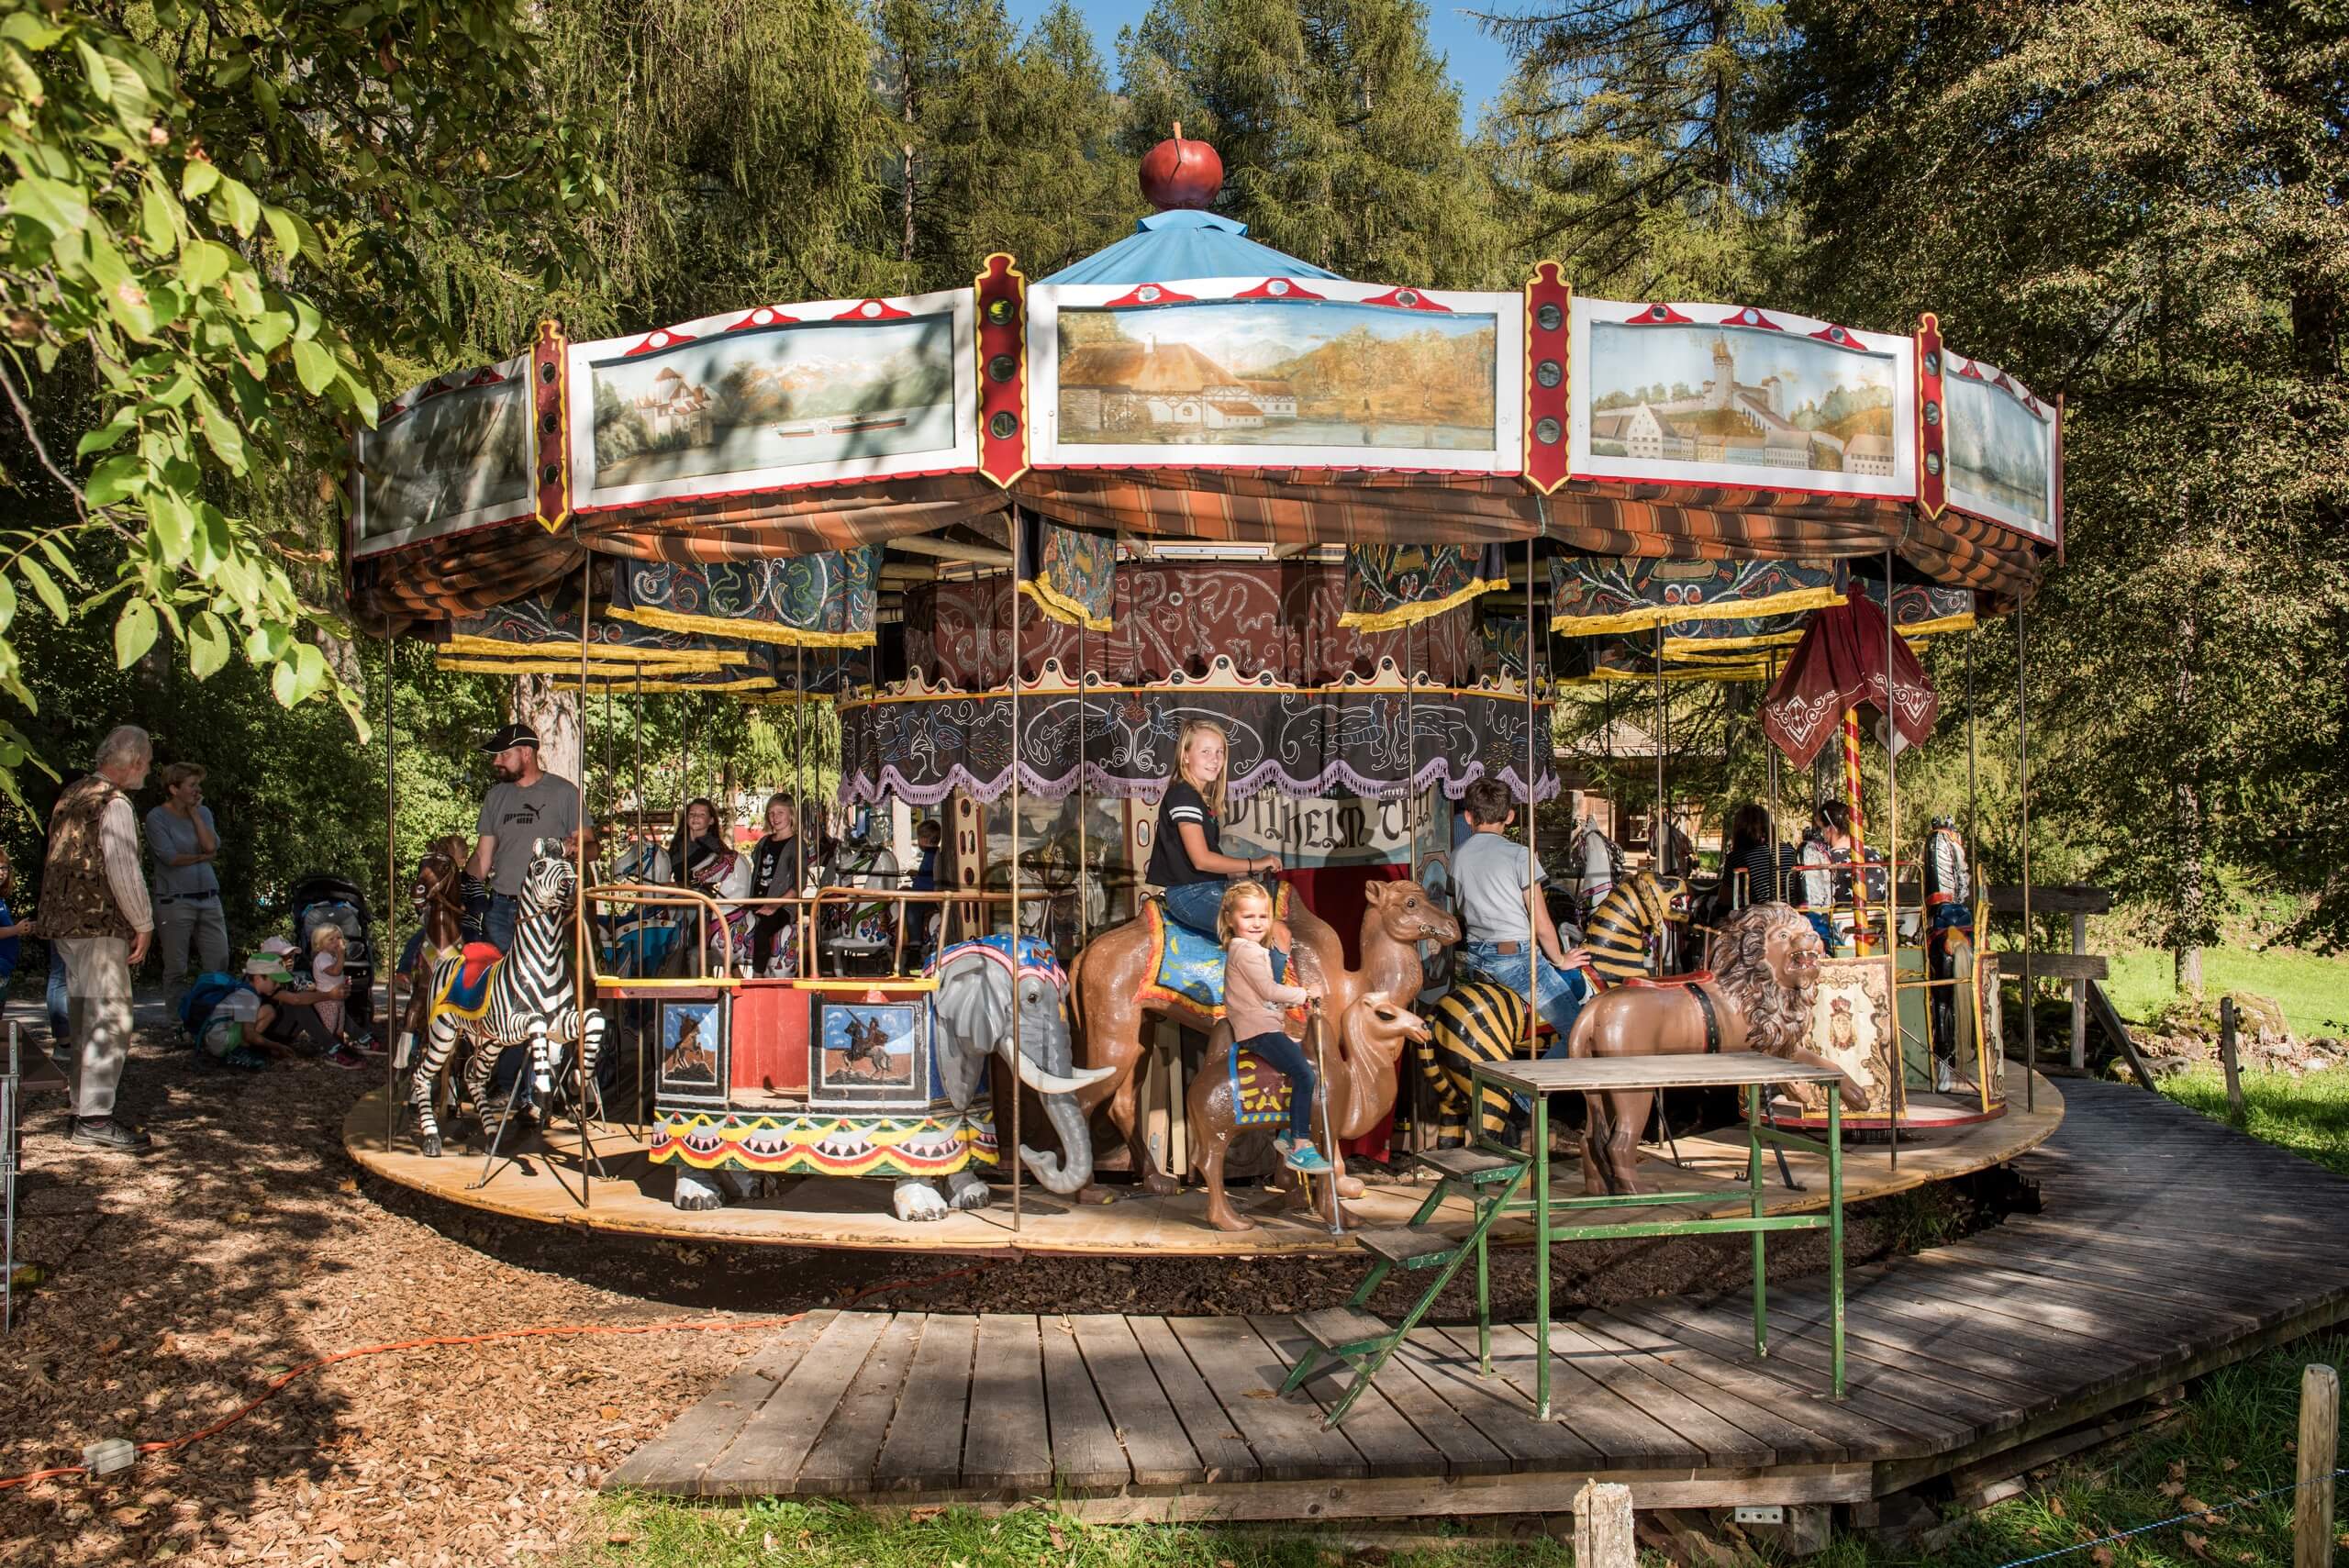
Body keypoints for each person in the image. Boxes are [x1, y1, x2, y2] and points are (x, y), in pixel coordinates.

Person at [42, 726, 157, 1153]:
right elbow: (122, 868)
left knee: (85, 1016)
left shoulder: (73, 795)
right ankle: (94, 1118)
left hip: (67, 926)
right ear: (133, 761)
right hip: (98, 925)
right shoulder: (113, 803)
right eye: (145, 761)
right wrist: (143, 922)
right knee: (109, 1019)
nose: (147, 769)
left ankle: (82, 1109)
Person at [1452, 777, 1590, 1060]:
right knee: (1582, 1033)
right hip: (1516, 959)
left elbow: (1459, 909)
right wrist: (1560, 959)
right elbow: (1542, 923)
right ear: (1511, 816)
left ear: (1468, 817)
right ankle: (1529, 1100)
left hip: (1476, 957)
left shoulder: (1457, 856)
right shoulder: (1519, 855)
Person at [1147, 720, 1290, 966]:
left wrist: (1255, 867)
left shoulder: (1196, 798)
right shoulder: (1183, 795)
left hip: (1207, 887)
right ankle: (1264, 1003)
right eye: (1205, 752)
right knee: (1275, 933)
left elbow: (1216, 865)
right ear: (1185, 756)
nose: (1215, 759)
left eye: (1220, 752)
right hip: (1190, 894)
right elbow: (1201, 860)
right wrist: (1255, 863)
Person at [1218, 880, 1331, 1174]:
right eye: (1248, 917)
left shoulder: (1247, 948)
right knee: (1305, 1074)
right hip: (1259, 1031)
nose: (1257, 923)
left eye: (1263, 916)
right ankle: (1301, 1146)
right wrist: (1305, 993)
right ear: (1230, 919)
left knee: (1298, 1066)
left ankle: (1287, 1132)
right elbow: (1269, 990)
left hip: (1263, 1026)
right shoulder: (1247, 952)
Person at [468, 723, 579, 951]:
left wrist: (571, 848)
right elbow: (483, 856)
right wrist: (461, 887)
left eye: (504, 755)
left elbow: (591, 847)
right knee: (493, 980)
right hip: (499, 907)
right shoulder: (495, 796)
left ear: (526, 753)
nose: (496, 761)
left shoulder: (564, 792)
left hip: (545, 909)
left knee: (539, 980)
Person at [145, 762, 228, 984]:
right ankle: (176, 1019)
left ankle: (213, 1016)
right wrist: (201, 858)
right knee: (176, 968)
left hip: (209, 899)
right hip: (175, 901)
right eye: (192, 785)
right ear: (174, 789)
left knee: (219, 962)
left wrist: (195, 815)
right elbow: (170, 857)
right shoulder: (157, 817)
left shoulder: (203, 812)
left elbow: (211, 846)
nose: (198, 790)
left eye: (199, 785)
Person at [747, 794, 803, 976]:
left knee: (763, 930)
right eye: (771, 813)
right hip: (755, 900)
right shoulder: (763, 842)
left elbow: (799, 883)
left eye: (780, 812)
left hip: (782, 906)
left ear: (791, 815)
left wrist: (775, 904)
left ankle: (756, 975)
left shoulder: (796, 844)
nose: (775, 817)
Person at [0, 848, 35, 1006]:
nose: (2, 872)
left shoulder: (1, 900)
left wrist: (25, 927)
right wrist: (16, 929)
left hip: (5, 968)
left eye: (4, 867)